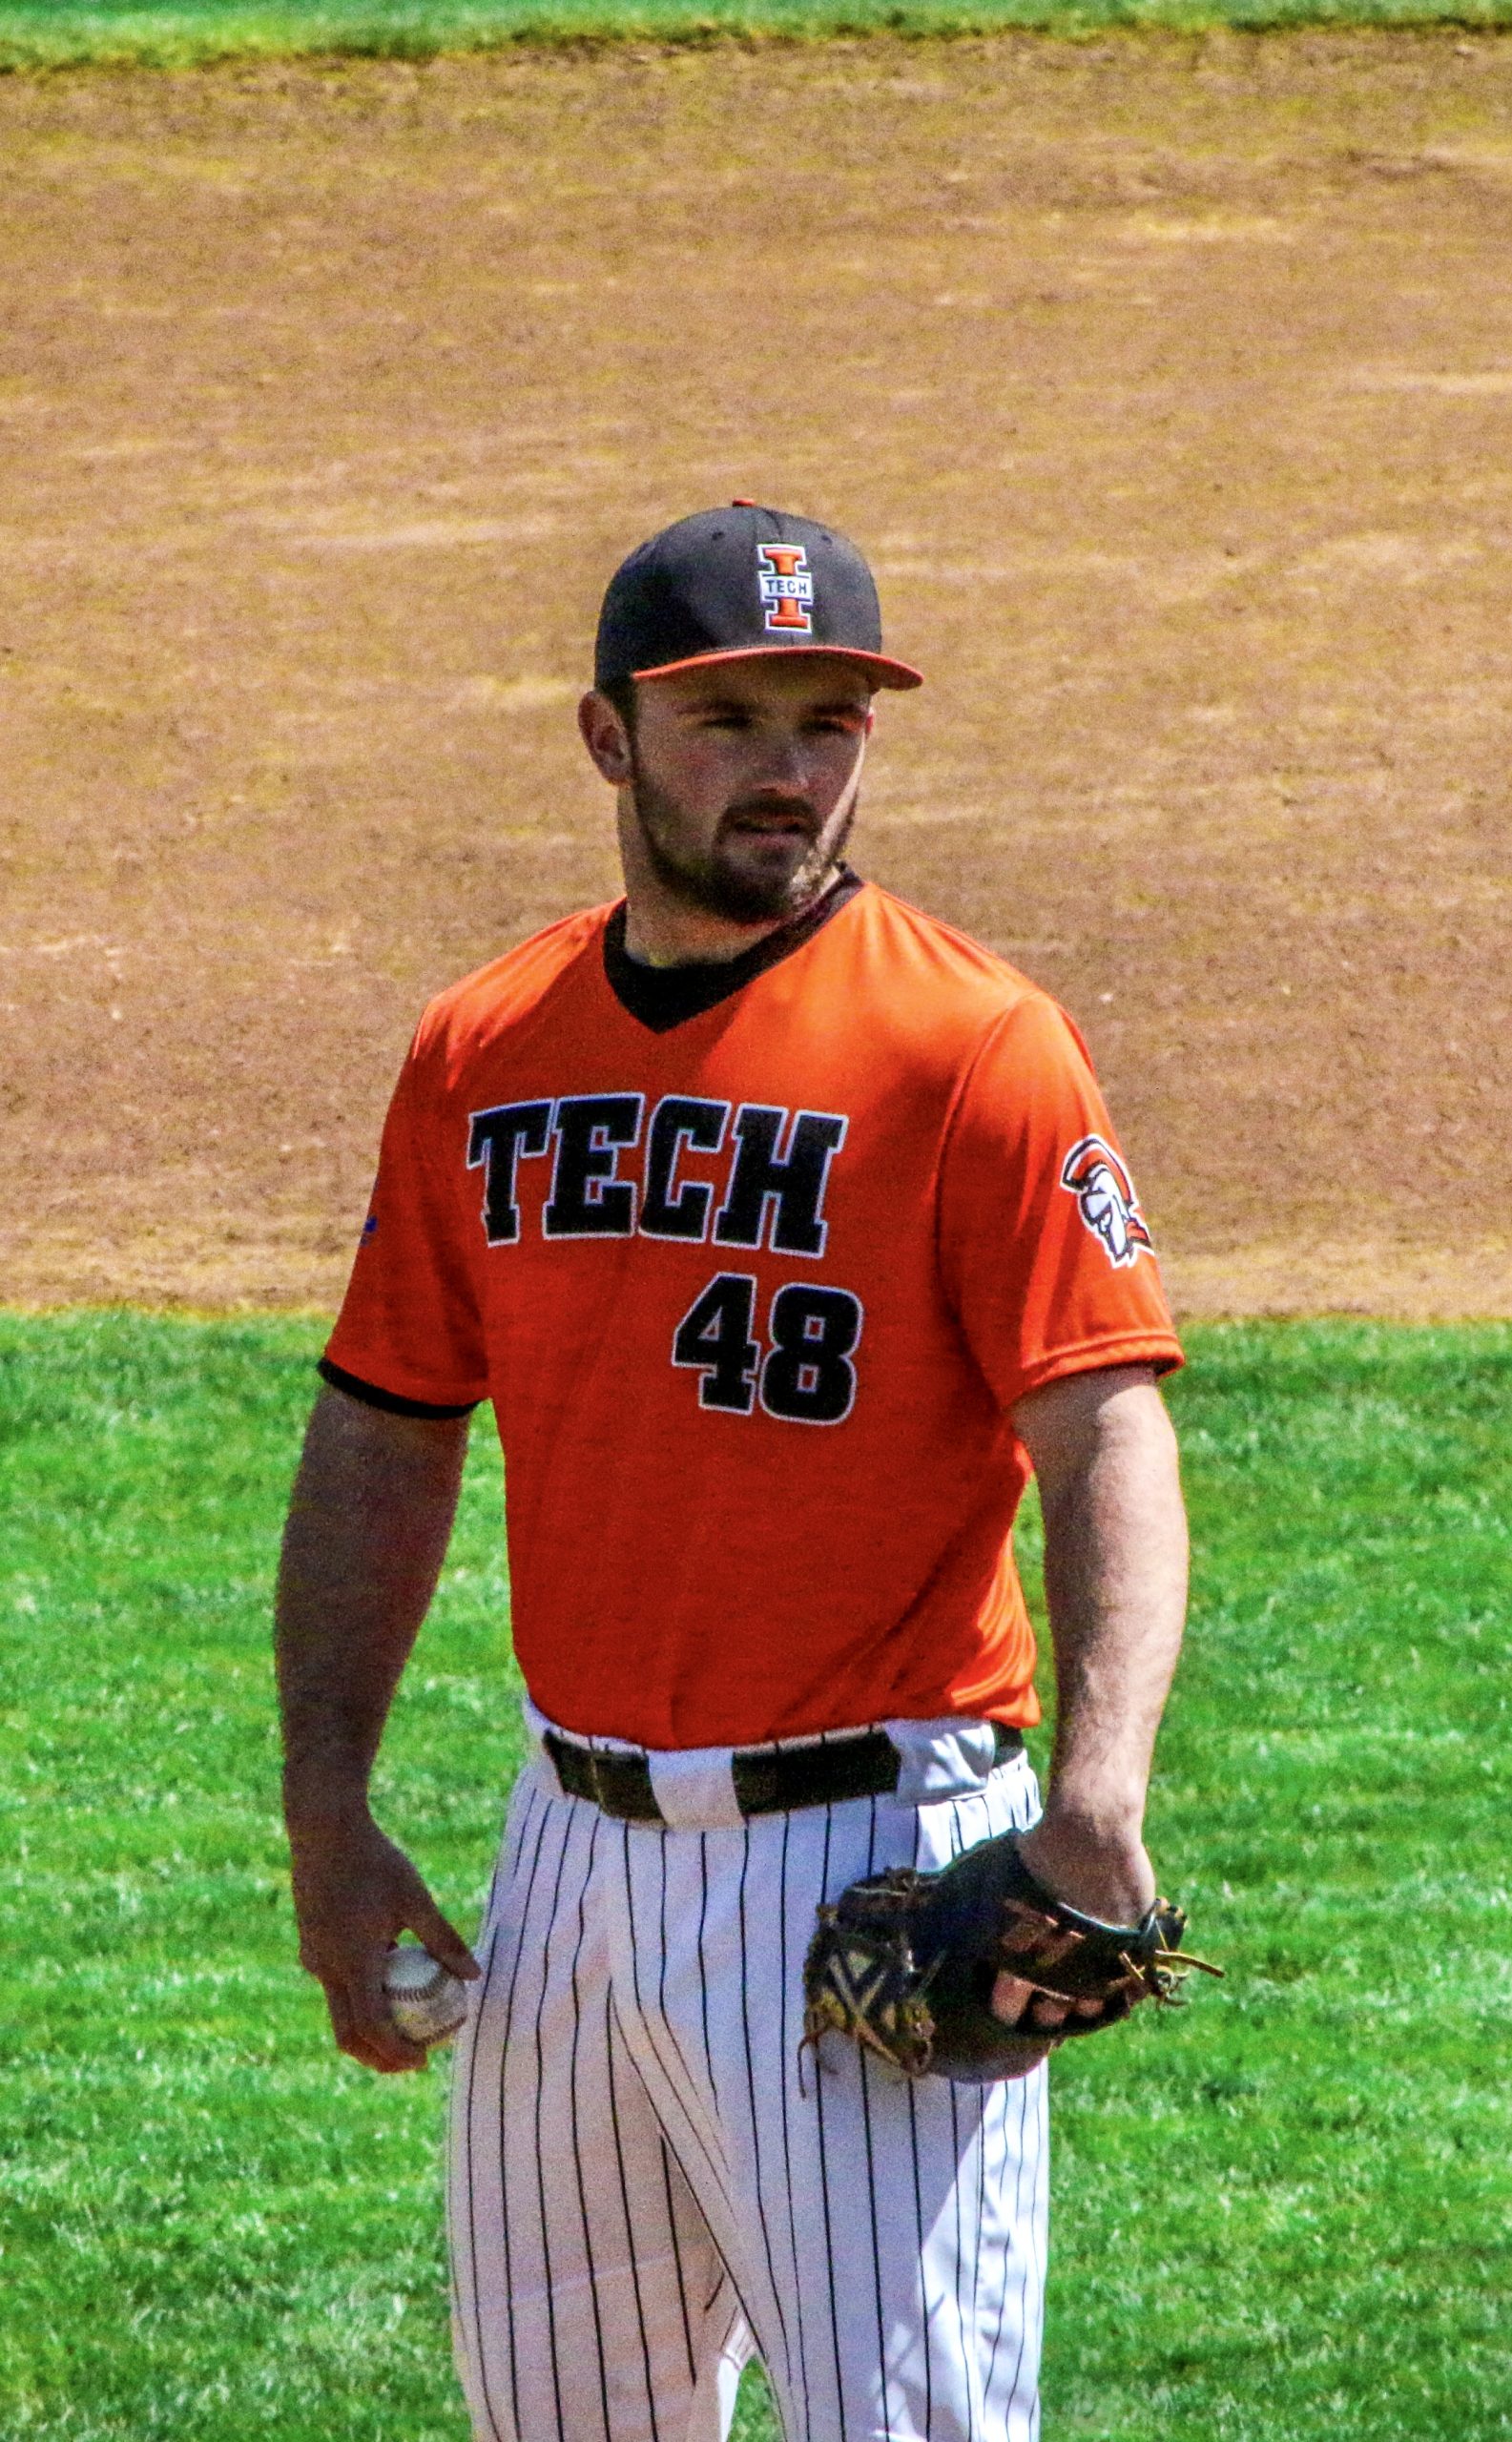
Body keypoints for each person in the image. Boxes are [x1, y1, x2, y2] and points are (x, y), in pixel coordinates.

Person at [276, 502, 1189, 2442]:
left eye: (827, 723)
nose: (787, 771)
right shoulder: (483, 1047)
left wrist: (1098, 1792)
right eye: (731, 722)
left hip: (868, 1848)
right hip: (565, 1856)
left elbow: (1101, 1417)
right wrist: (325, 1806)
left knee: (902, 2420)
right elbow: (382, 1415)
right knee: (559, 2415)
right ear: (607, 738)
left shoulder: (974, 1049)